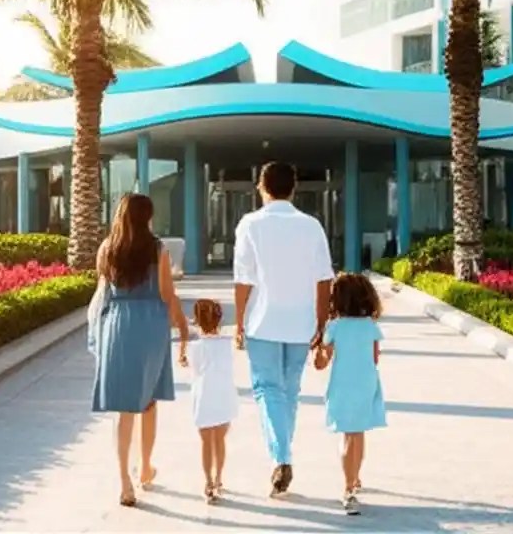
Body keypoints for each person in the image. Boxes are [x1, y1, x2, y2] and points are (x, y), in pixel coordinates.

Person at [233, 162, 335, 497]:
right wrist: (322, 323)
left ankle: (281, 457)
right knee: (290, 390)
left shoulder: (250, 224)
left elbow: (243, 279)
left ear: (261, 187)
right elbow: (324, 279)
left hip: (262, 321)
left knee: (267, 389)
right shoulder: (311, 226)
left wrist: (238, 323)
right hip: (301, 321)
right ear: (293, 188)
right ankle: (283, 455)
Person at [90, 193, 189, 508]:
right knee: (148, 401)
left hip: (118, 324)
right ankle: (145, 466)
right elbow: (166, 294)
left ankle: (124, 481)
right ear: (147, 216)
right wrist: (184, 328)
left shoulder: (107, 248)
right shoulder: (157, 248)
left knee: (124, 408)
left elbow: (101, 292)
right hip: (150, 325)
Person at [313, 273, 387, 515]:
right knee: (359, 433)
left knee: (348, 436)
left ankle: (348, 489)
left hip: (343, 385)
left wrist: (319, 352)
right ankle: (355, 478)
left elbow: (323, 362)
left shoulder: (334, 327)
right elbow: (375, 358)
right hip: (366, 383)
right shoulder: (371, 327)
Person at [183, 298, 238, 504]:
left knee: (206, 442)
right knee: (220, 440)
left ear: (196, 321)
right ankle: (219, 479)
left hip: (204, 395)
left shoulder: (195, 346)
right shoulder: (226, 344)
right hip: (223, 394)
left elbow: (195, 370)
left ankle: (207, 482)